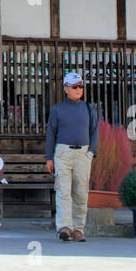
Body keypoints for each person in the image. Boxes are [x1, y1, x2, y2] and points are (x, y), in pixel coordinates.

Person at [45, 71, 98, 242]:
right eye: (75, 86)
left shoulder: (88, 108)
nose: (79, 89)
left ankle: (78, 228)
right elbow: (51, 134)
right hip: (63, 153)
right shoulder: (57, 109)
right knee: (63, 191)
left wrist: (91, 151)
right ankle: (64, 227)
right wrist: (49, 157)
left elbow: (94, 131)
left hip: (83, 153)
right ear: (66, 88)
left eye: (81, 86)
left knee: (81, 192)